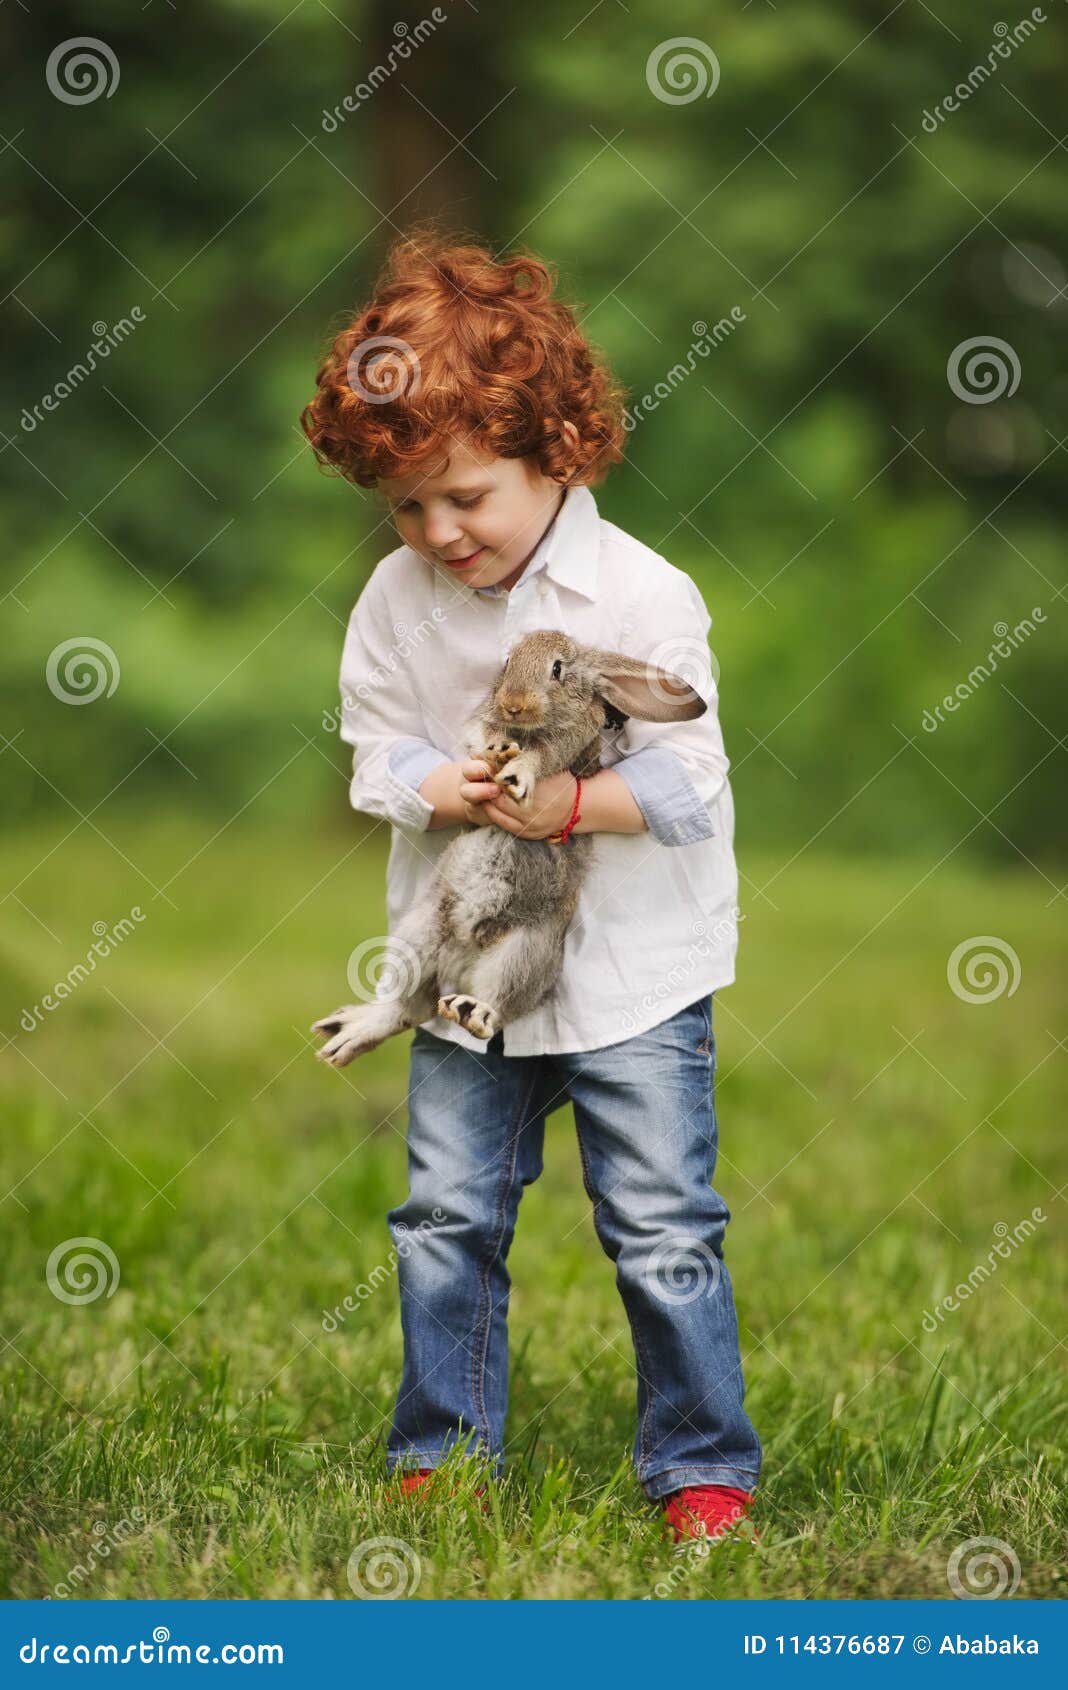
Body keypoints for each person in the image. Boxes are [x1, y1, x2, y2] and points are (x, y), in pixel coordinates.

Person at [300, 228, 762, 1542]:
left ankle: (701, 1464)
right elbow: (372, 746)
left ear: (554, 448)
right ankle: (442, 1448)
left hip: (634, 976)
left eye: (467, 496)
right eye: (407, 506)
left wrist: (571, 802)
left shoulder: (642, 596)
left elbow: (686, 787)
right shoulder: (396, 601)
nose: (438, 532)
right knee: (446, 1210)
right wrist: (429, 782)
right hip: (472, 978)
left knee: (663, 1221)